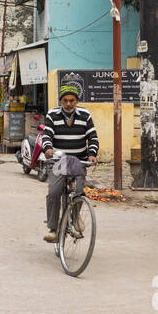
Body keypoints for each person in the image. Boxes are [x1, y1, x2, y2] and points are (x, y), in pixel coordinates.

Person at [40, 84, 99, 242]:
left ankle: (75, 215)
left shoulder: (85, 115)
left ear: (76, 101)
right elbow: (47, 135)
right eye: (65, 100)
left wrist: (92, 154)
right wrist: (48, 148)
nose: (68, 104)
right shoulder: (52, 115)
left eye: (72, 100)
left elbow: (93, 137)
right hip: (59, 161)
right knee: (54, 192)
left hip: (78, 161)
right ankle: (53, 229)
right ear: (61, 101)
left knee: (78, 191)